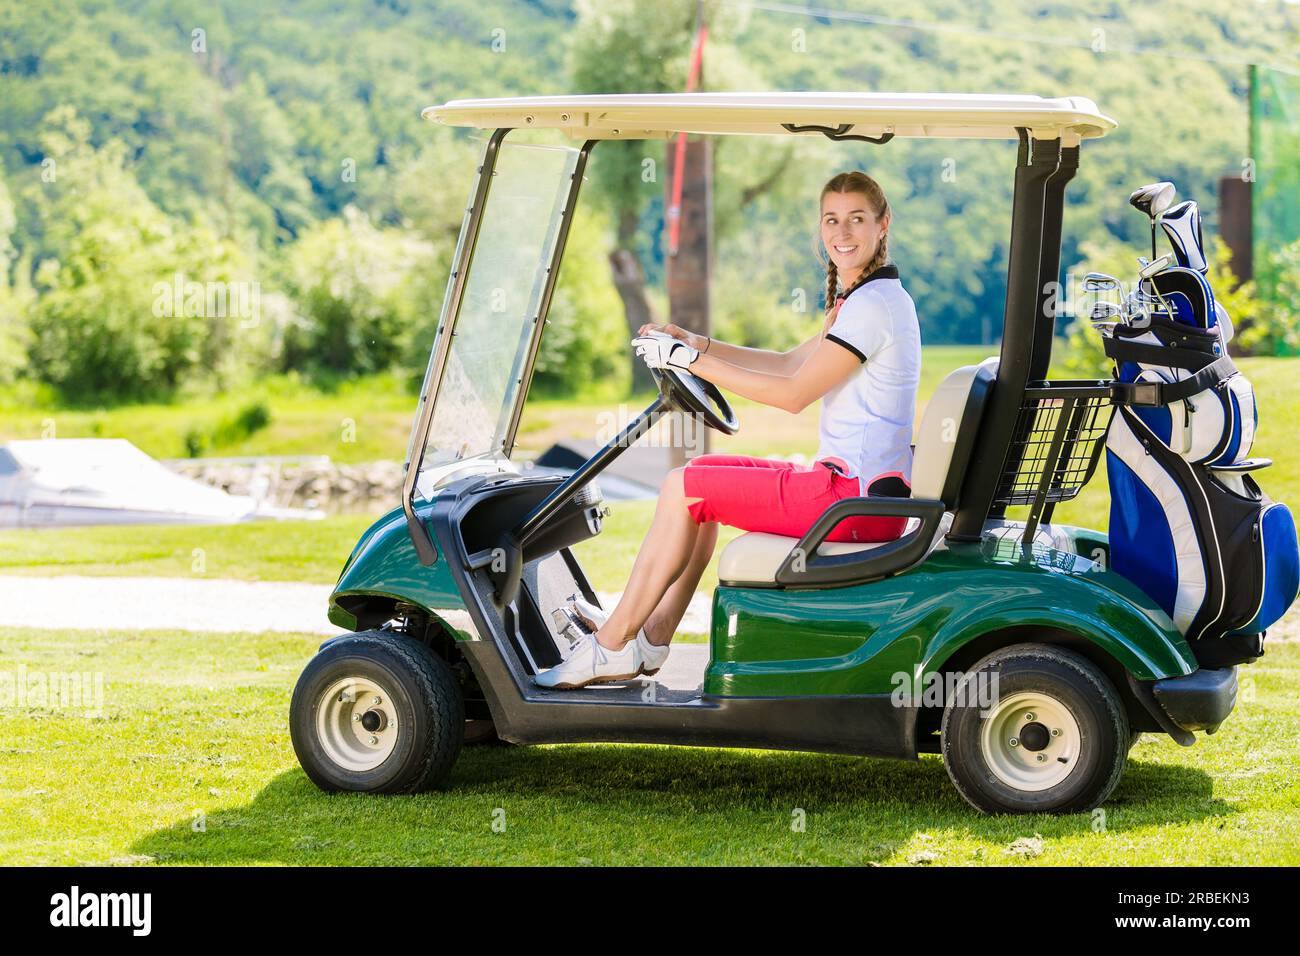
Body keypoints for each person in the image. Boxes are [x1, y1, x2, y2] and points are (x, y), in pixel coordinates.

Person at [535, 170, 921, 689]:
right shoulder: (866, 301)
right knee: (699, 478)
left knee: (683, 486)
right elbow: (787, 364)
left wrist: (688, 360)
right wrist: (697, 344)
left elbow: (791, 395)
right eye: (832, 219)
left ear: (882, 225)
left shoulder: (873, 306)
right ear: (821, 226)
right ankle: (650, 638)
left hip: (852, 503)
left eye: (857, 219)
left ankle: (609, 646)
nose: (843, 232)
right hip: (850, 490)